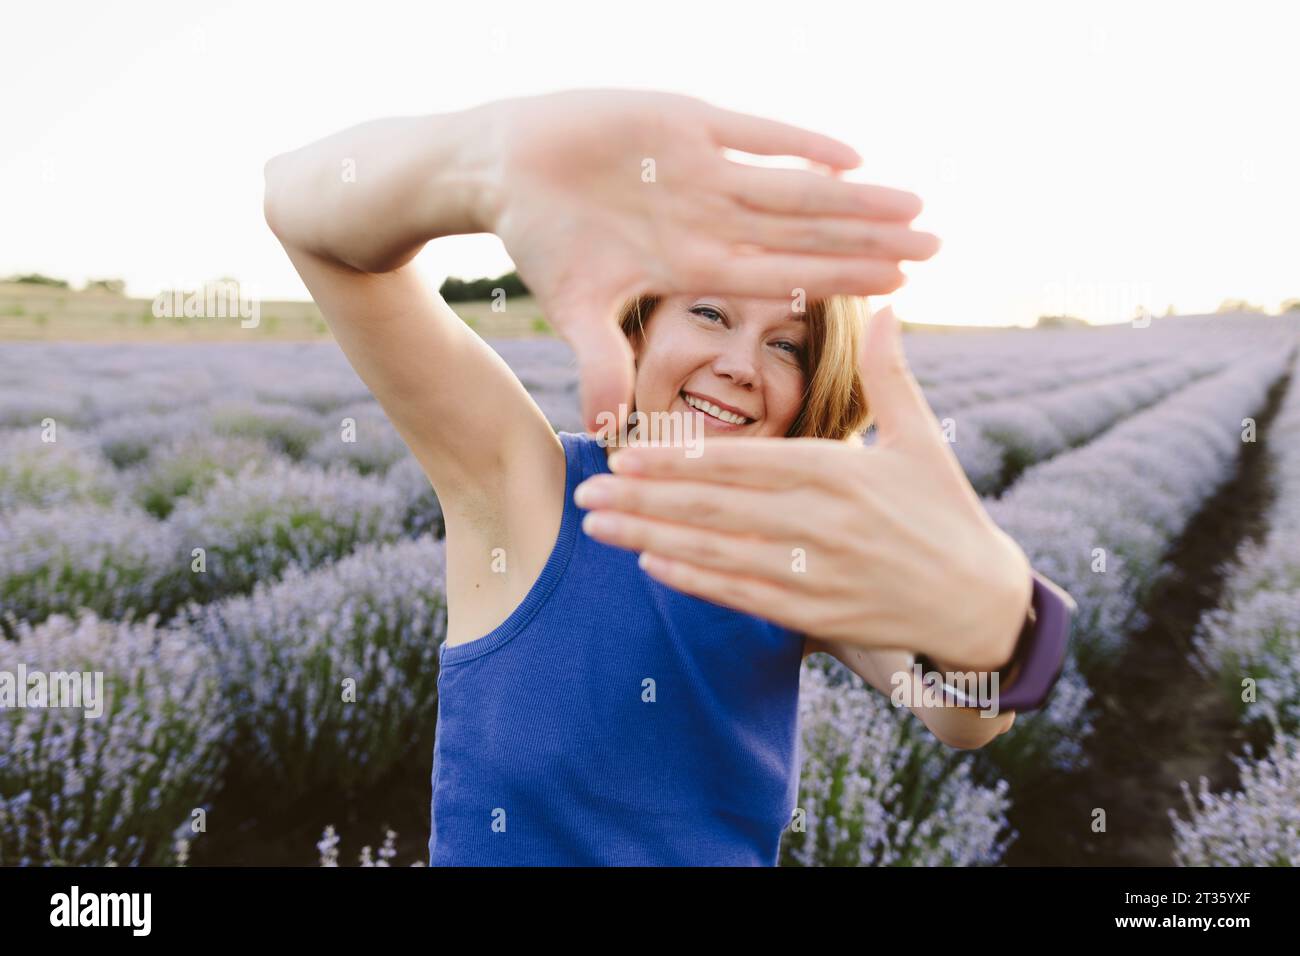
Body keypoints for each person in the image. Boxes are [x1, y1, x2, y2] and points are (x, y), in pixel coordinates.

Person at [263, 88, 1027, 866]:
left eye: (787, 346)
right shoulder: (522, 482)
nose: (737, 365)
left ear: (813, 392)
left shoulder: (792, 552)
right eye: (709, 314)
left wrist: (990, 620)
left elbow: (965, 715)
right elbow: (300, 210)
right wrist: (483, 164)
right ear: (639, 323)